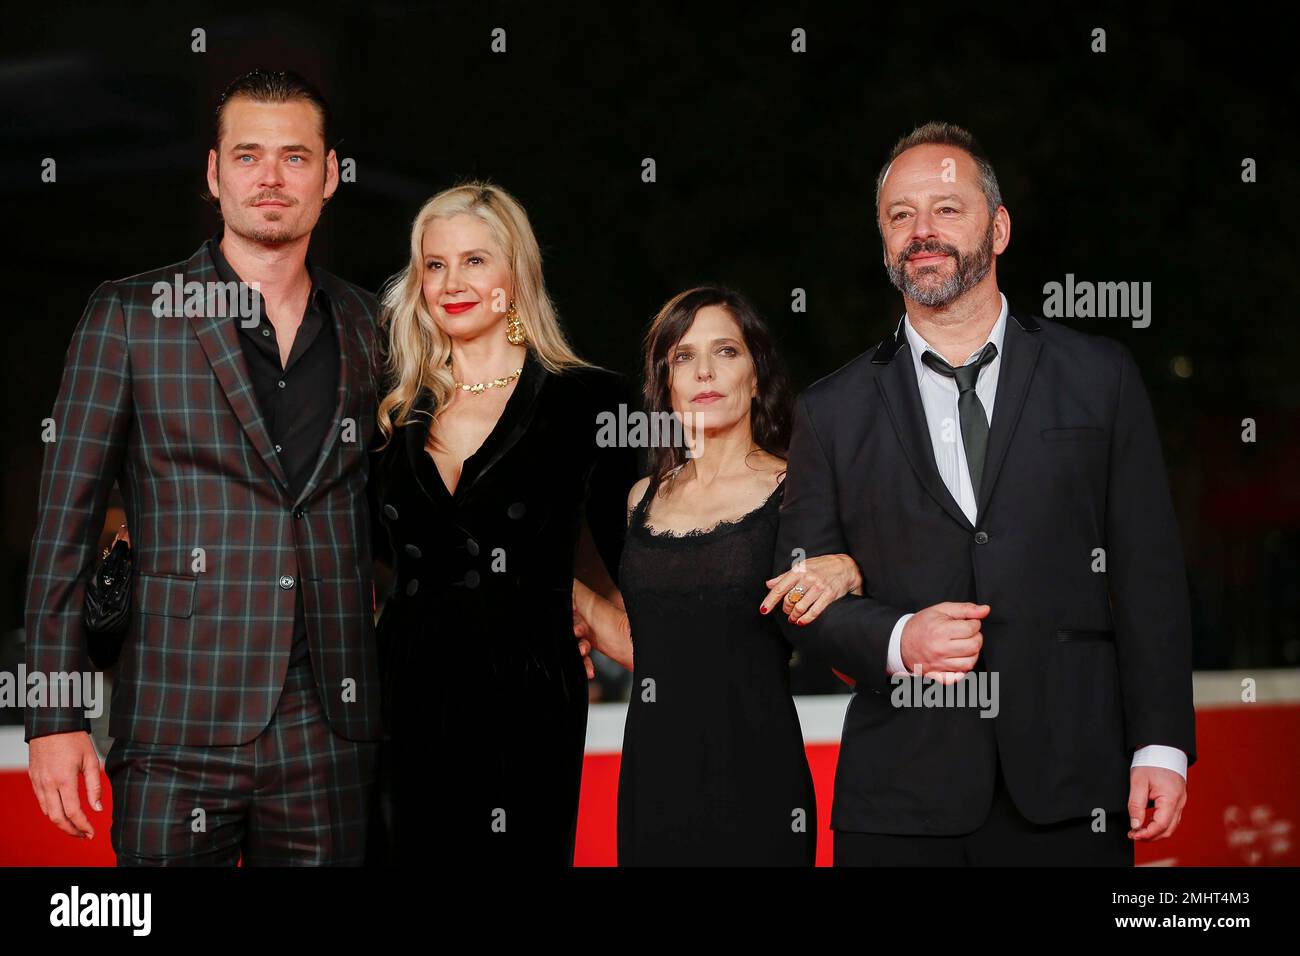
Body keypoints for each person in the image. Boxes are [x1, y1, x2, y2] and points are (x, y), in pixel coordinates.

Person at [773, 121, 1196, 866]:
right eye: (900, 215)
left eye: (946, 207)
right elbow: (802, 600)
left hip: (1074, 790)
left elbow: (1148, 573)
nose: (921, 231)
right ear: (882, 243)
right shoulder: (830, 412)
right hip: (900, 802)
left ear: (998, 228)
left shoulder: (1100, 378)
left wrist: (1159, 743)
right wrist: (901, 640)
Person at [24, 69, 384, 864]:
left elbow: (409, 511)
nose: (270, 176)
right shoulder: (130, 315)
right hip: (173, 727)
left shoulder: (370, 324)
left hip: (330, 732)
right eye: (249, 155)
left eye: (295, 157)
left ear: (328, 176)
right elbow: (64, 530)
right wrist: (54, 718)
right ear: (215, 173)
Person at [369, 182, 638, 865]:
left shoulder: (590, 400)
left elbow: (638, 565)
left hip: (529, 698)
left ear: (514, 274)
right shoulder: (392, 412)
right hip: (399, 699)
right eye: (434, 265)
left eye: (474, 261)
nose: (451, 282)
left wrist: (563, 595)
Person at [572, 286, 862, 865]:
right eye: (683, 356)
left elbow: (848, 645)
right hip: (652, 787)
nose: (704, 370)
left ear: (757, 375)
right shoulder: (639, 501)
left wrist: (852, 572)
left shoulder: (798, 493)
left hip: (760, 781)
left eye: (726, 351)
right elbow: (651, 647)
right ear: (667, 385)